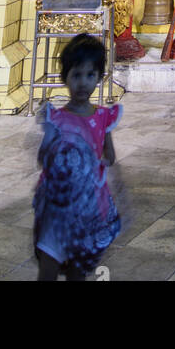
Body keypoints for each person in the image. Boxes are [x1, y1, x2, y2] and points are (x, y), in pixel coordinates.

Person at [33, 32, 122, 280]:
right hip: (58, 206)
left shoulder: (104, 117)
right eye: (77, 75)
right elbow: (43, 158)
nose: (83, 83)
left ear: (99, 78)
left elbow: (110, 156)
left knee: (78, 271)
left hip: (87, 208)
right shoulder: (56, 119)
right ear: (65, 78)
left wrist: (93, 167)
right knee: (48, 267)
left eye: (90, 75)